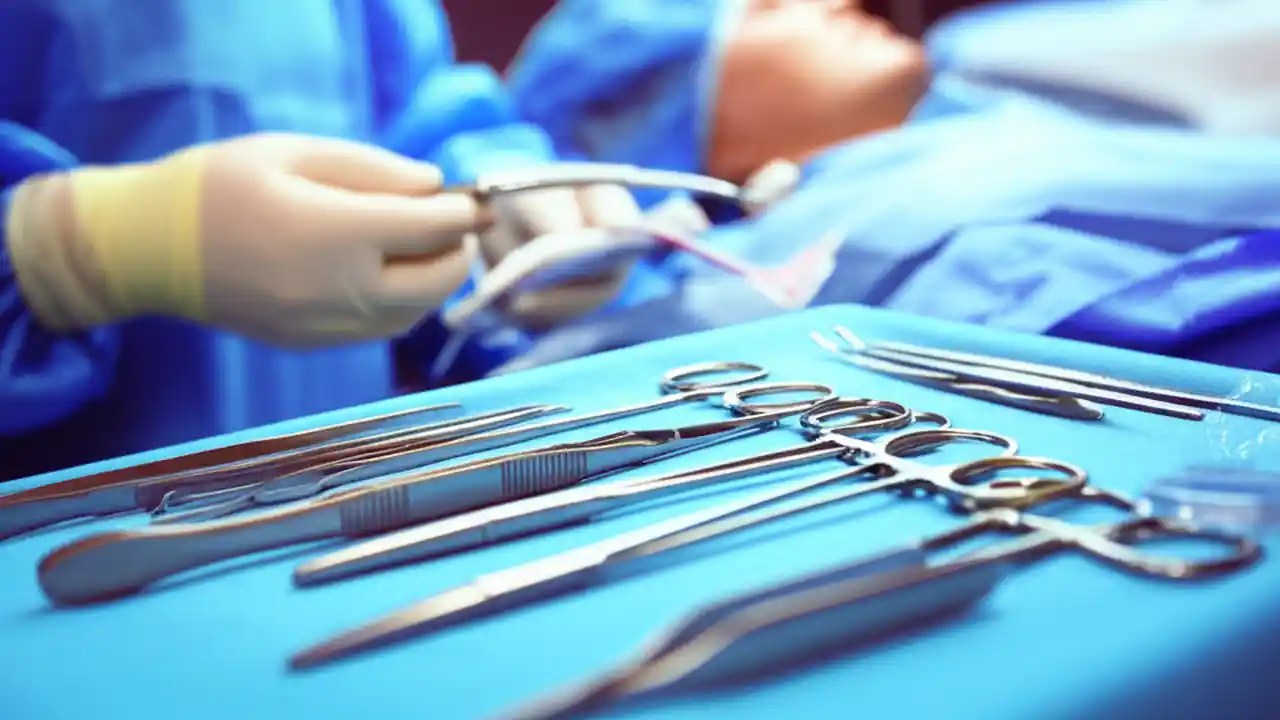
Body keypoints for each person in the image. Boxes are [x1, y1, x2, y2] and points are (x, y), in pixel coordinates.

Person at [0, 0, 641, 480]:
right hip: (55, 554)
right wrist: (64, 247)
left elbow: (409, 105)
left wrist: (490, 194)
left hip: (341, 489)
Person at [488, 0, 1280, 375]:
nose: (828, 2)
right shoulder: (752, 282)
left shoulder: (995, 105)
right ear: (670, 126)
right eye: (766, 8)